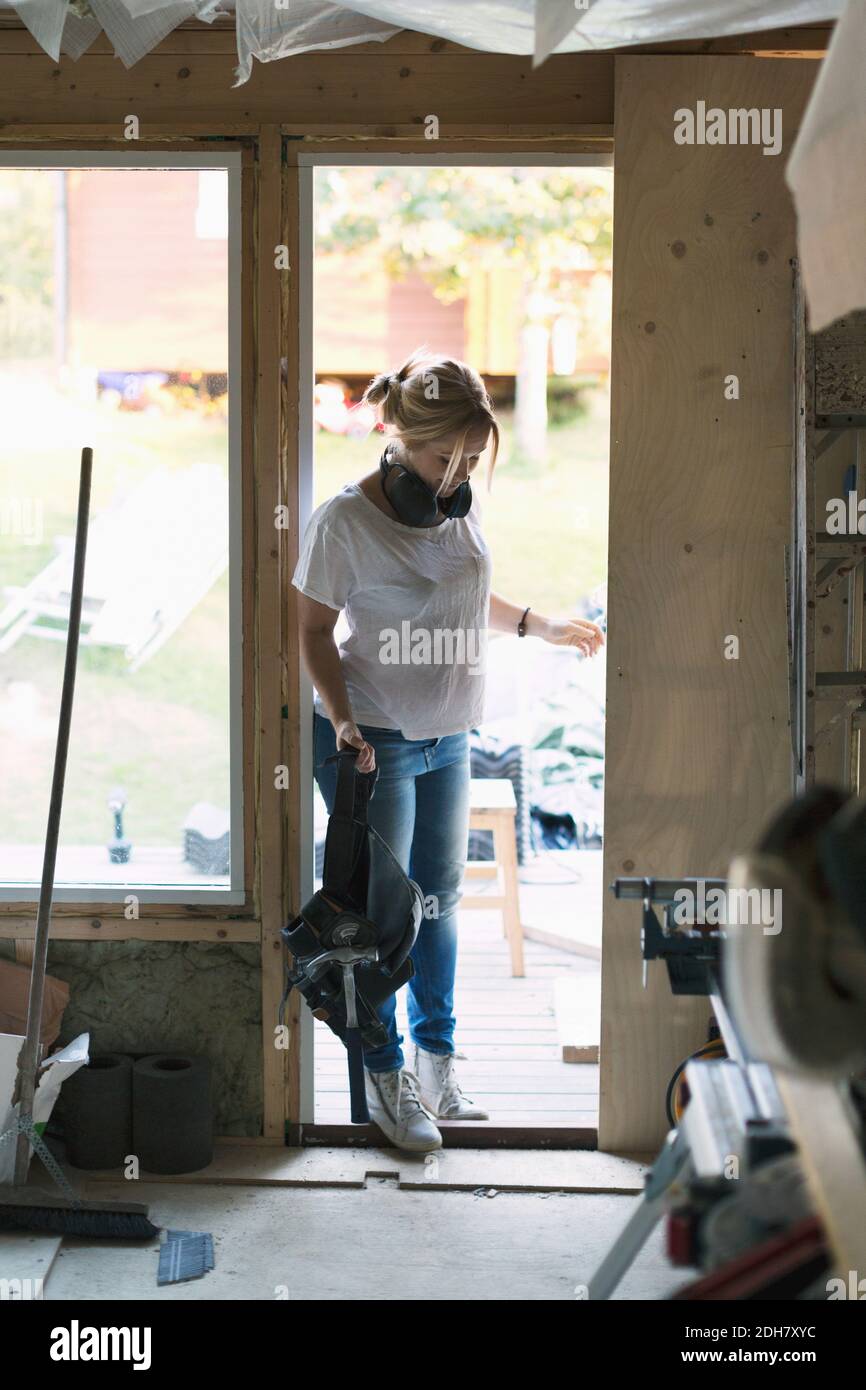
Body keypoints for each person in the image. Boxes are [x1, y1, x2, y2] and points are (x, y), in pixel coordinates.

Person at [292, 349, 604, 1152]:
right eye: (443, 456)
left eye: (471, 456)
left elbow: (461, 590)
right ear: (395, 436)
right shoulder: (345, 521)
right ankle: (387, 1073)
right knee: (383, 920)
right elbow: (311, 632)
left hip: (449, 732)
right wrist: (344, 719)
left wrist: (541, 624)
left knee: (439, 904)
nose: (457, 472)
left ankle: (437, 1061)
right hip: (378, 740)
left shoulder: (454, 506)